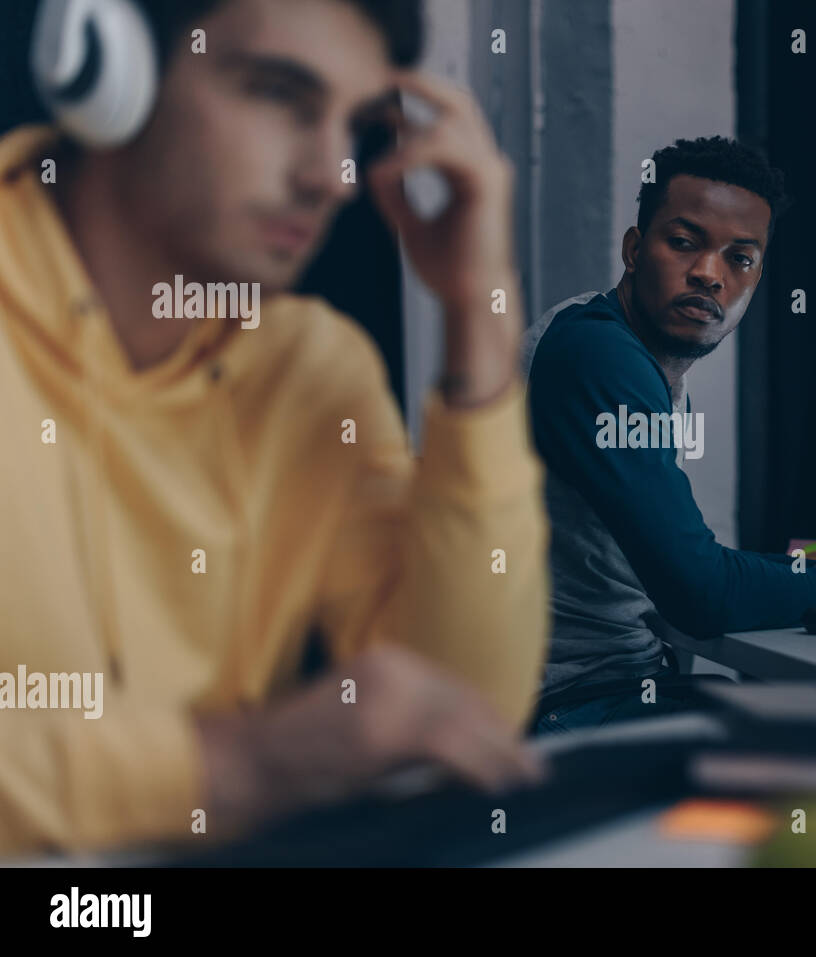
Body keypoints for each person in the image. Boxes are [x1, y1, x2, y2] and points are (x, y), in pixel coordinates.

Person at [0, 0, 549, 856]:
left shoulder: (315, 368)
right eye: (279, 95)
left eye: (355, 126)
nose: (333, 174)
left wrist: (479, 321)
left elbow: (462, 714)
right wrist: (240, 767)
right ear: (109, 60)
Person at [523, 136, 816, 733]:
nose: (709, 274)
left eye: (741, 257)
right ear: (634, 249)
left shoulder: (634, 358)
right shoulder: (600, 356)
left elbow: (682, 566)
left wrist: (814, 568)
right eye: (684, 243)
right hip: (570, 705)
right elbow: (700, 593)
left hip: (624, 683)